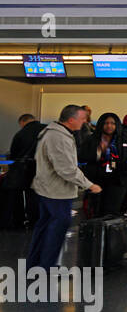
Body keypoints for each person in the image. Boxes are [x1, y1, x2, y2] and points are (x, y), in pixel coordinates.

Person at [27, 105, 101, 269]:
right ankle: (46, 266)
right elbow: (66, 169)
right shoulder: (58, 137)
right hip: (56, 191)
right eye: (82, 119)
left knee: (45, 227)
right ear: (71, 119)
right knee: (56, 229)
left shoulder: (53, 133)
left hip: (47, 188)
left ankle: (35, 265)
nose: (84, 122)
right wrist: (89, 185)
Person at [79, 112, 127, 218]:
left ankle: (113, 229)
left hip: (119, 177)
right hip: (97, 177)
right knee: (97, 209)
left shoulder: (125, 136)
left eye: (112, 123)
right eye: (106, 123)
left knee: (114, 209)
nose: (109, 126)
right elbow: (82, 156)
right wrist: (98, 151)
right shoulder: (92, 138)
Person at [1, 114, 44, 229]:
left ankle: (22, 220)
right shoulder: (46, 129)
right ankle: (38, 220)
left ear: (22, 122)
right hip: (43, 169)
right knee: (39, 196)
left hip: (24, 170)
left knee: (23, 195)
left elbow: (14, 154)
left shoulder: (20, 134)